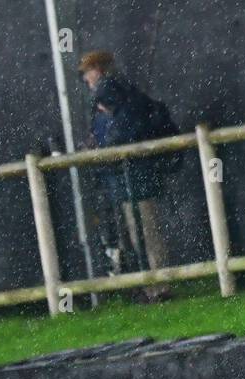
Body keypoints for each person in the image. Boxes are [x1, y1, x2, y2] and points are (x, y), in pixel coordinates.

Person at [80, 49, 172, 299]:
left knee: (144, 230)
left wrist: (102, 149)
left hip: (129, 173)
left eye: (88, 73)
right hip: (127, 174)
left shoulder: (110, 93)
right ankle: (151, 284)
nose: (86, 79)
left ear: (97, 71)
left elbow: (121, 132)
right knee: (140, 231)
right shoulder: (125, 93)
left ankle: (157, 286)